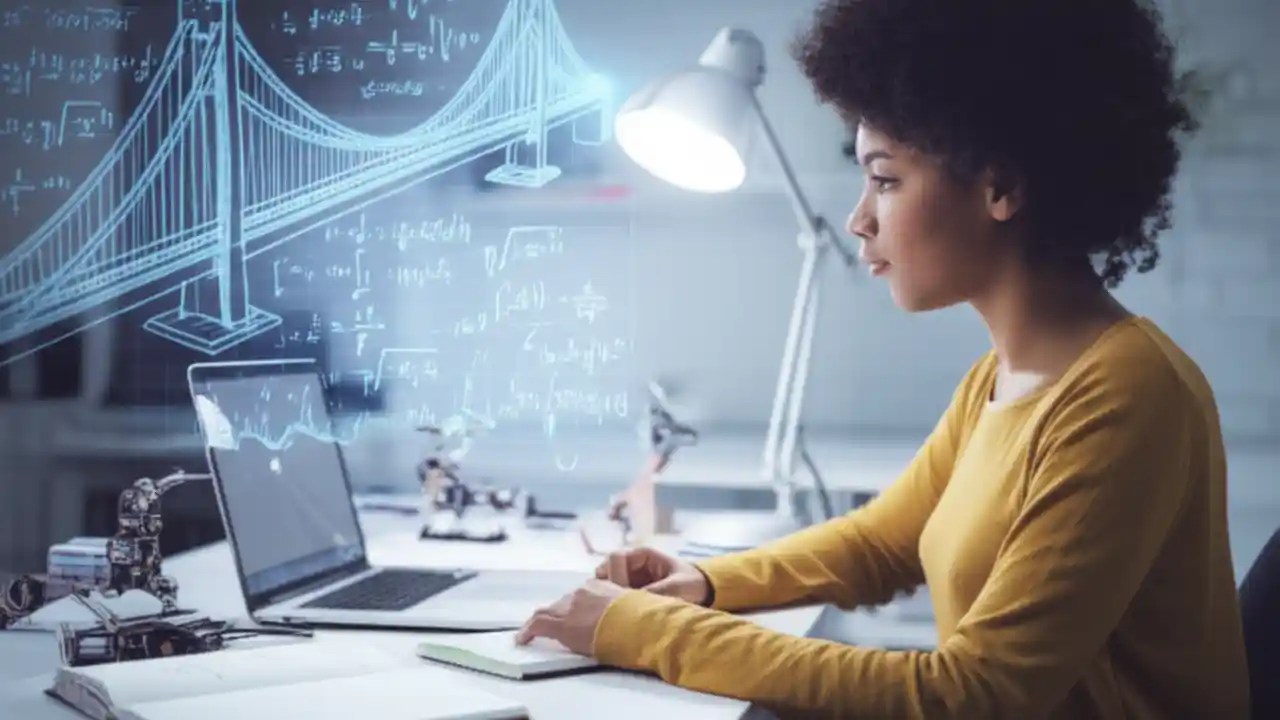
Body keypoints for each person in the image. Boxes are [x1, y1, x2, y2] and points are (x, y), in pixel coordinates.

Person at [516, 0, 1252, 716]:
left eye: (886, 179)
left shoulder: (1126, 397)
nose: (858, 218)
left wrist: (646, 631)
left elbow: (971, 694)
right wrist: (704, 583)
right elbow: (881, 543)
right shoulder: (1000, 382)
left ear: (1001, 186)